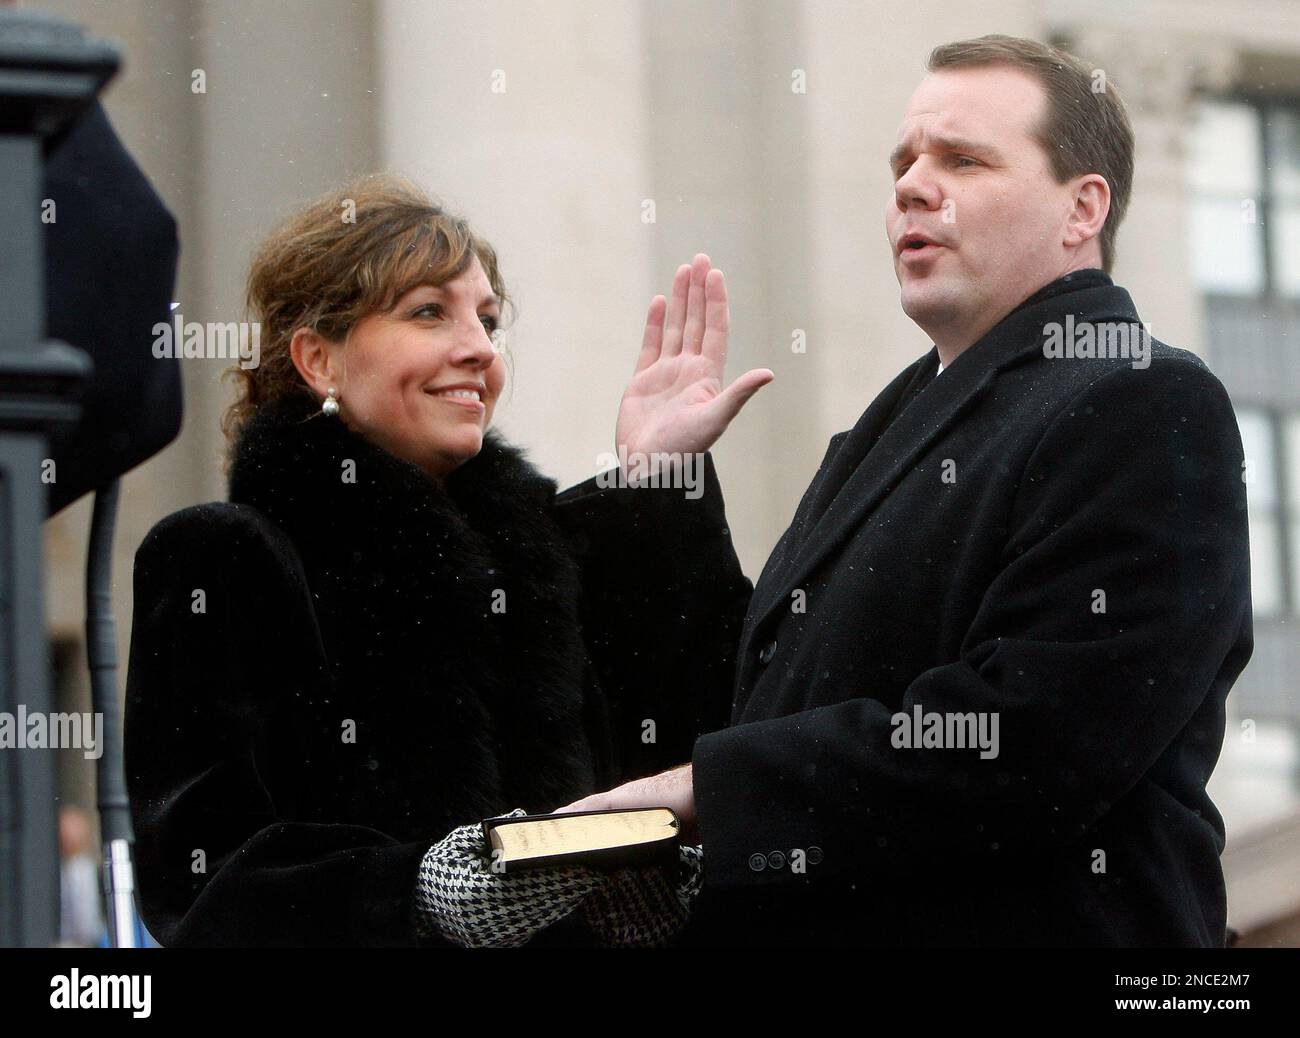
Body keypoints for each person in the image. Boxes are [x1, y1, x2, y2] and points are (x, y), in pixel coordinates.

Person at [560, 34, 1254, 947]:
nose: (912, 186)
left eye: (963, 159)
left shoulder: (1143, 397)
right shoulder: (889, 431)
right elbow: (747, 711)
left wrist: (716, 792)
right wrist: (657, 487)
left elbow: (1030, 743)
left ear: (1083, 207)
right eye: (905, 162)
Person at [123, 174, 771, 947]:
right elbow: (203, 888)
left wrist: (654, 491)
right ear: (318, 360)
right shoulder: (224, 556)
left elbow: (701, 746)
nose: (478, 350)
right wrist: (429, 891)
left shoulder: (547, 557)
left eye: (488, 321)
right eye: (429, 312)